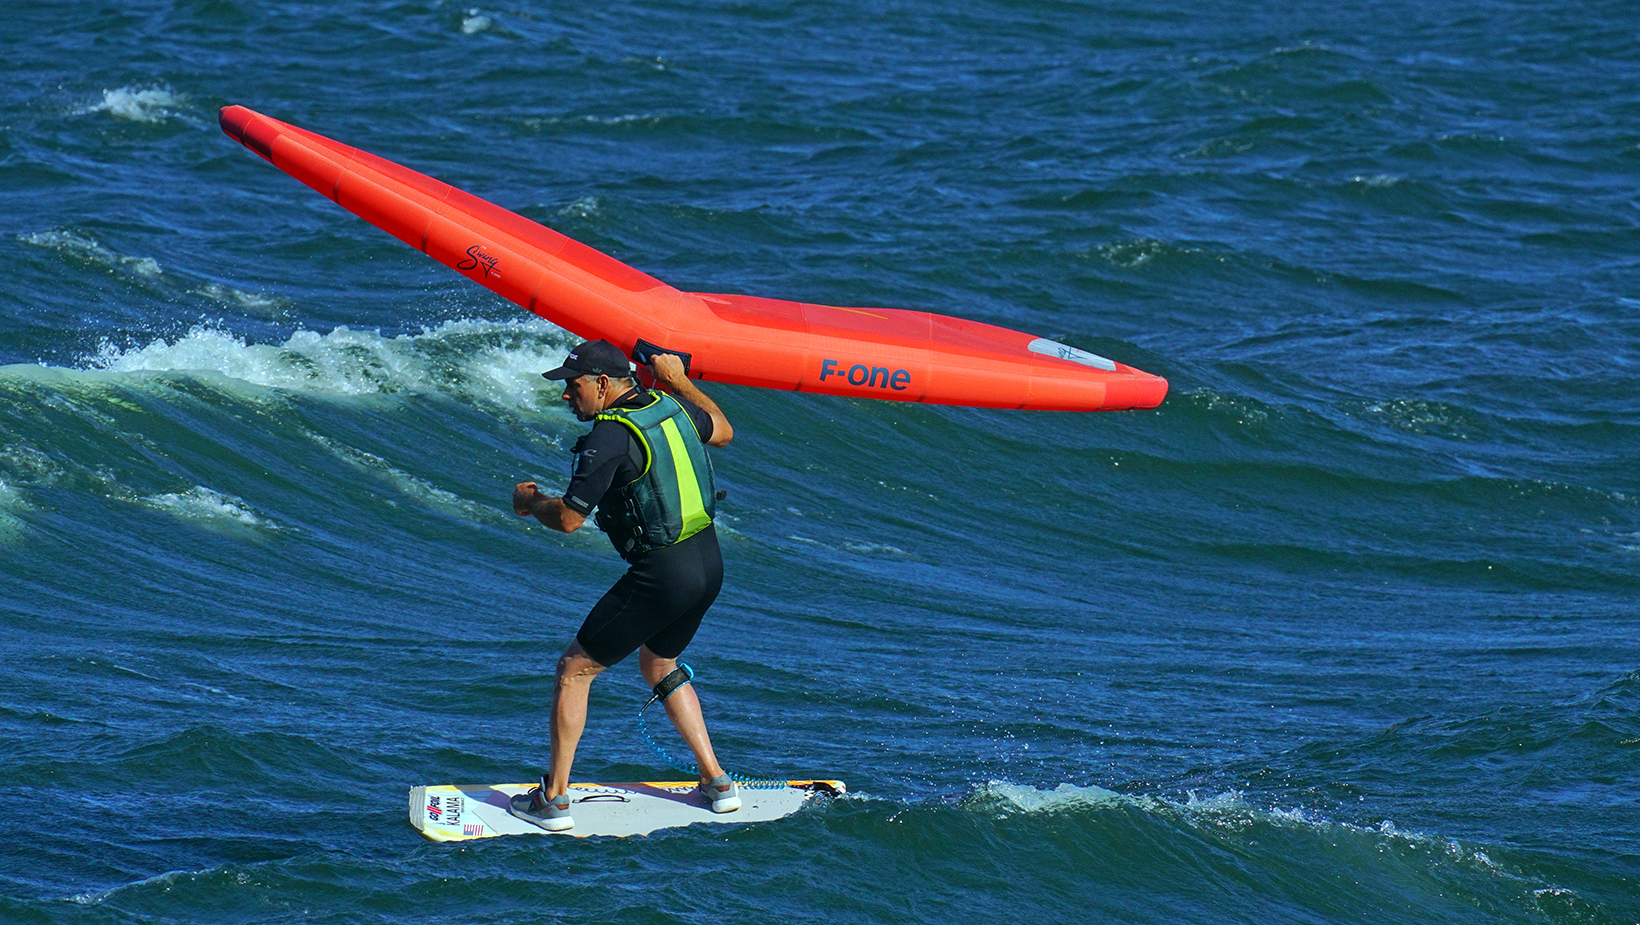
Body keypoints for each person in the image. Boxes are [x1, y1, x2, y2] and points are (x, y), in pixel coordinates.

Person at [507, 338, 740, 832]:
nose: (567, 396)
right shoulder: (668, 405)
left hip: (663, 576)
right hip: (708, 566)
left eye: (573, 387)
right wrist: (677, 379)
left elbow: (569, 520)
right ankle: (717, 782)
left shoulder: (607, 437)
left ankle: (554, 799)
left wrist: (532, 502)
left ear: (603, 384)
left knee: (573, 670)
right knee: (659, 662)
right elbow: (722, 430)